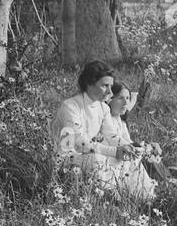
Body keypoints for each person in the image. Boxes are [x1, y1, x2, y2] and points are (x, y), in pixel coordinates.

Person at [49, 61, 147, 204]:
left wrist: (129, 147)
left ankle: (139, 198)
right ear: (89, 83)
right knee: (97, 160)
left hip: (85, 153)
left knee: (128, 157)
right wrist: (114, 151)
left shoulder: (103, 108)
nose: (110, 92)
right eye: (104, 86)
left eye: (110, 86)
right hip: (64, 157)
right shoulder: (70, 106)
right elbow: (76, 142)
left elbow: (112, 136)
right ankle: (108, 199)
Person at [96, 83, 157, 204]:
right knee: (125, 160)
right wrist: (131, 147)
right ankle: (114, 194)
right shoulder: (104, 119)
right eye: (120, 98)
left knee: (135, 159)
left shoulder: (121, 122)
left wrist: (140, 147)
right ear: (109, 100)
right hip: (107, 157)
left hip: (121, 155)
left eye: (128, 98)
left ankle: (141, 195)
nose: (125, 102)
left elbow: (126, 140)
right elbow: (113, 138)